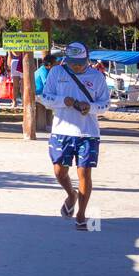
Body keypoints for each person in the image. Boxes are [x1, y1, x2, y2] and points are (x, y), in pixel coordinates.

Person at [37, 43, 110, 230]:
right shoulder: (56, 73)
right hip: (62, 131)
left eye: (79, 63)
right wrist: (63, 101)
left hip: (88, 133)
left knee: (84, 173)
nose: (76, 66)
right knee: (59, 172)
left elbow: (105, 104)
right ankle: (71, 195)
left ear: (87, 59)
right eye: (72, 63)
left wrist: (90, 107)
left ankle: (81, 214)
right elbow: (45, 97)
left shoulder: (97, 76)